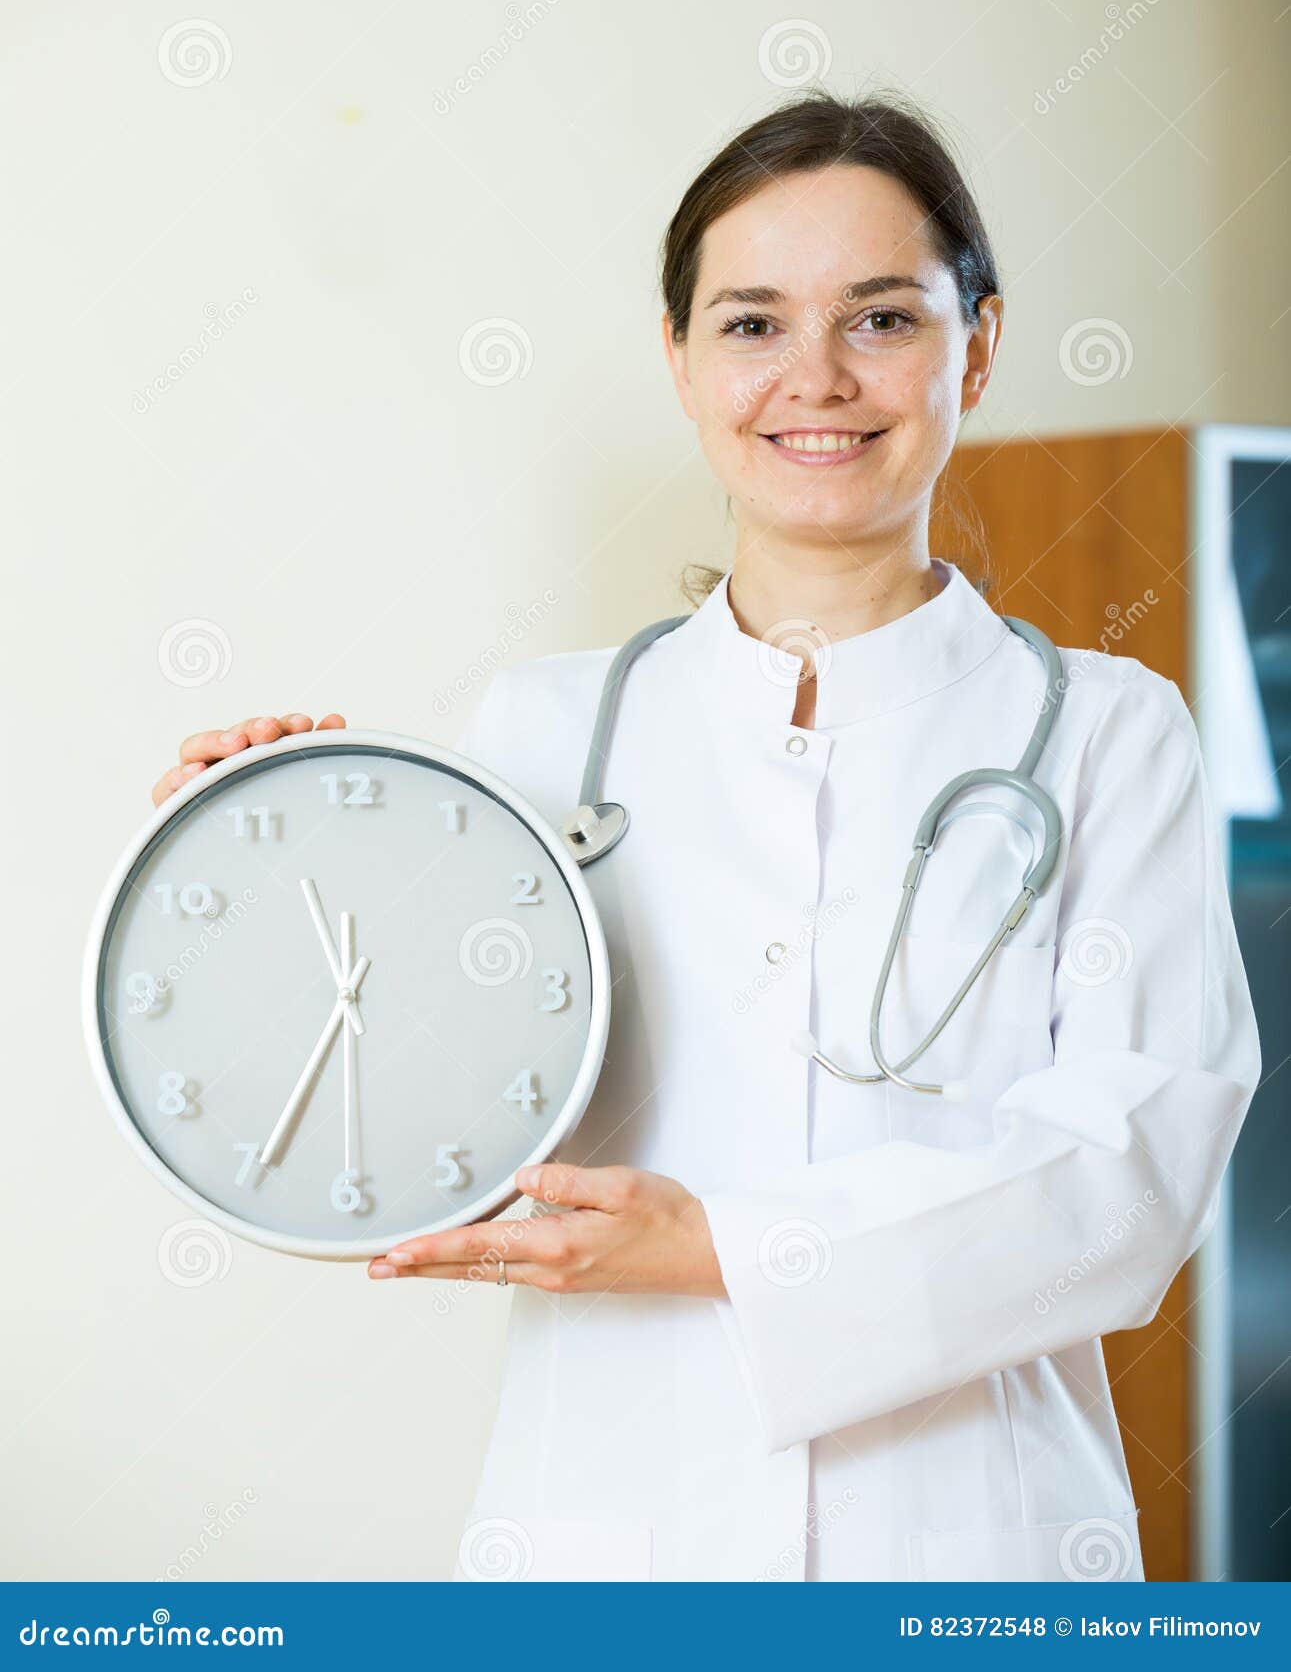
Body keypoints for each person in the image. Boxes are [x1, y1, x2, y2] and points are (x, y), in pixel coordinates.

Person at [150, 90, 1262, 1582]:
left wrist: (719, 1246)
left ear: (978, 347)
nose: (815, 377)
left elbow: (1126, 1179)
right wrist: (259, 847)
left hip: (974, 1548)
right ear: (677, 360)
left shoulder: (1115, 735)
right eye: (749, 325)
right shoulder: (537, 739)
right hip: (612, 1537)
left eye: (882, 319)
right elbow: (406, 1109)